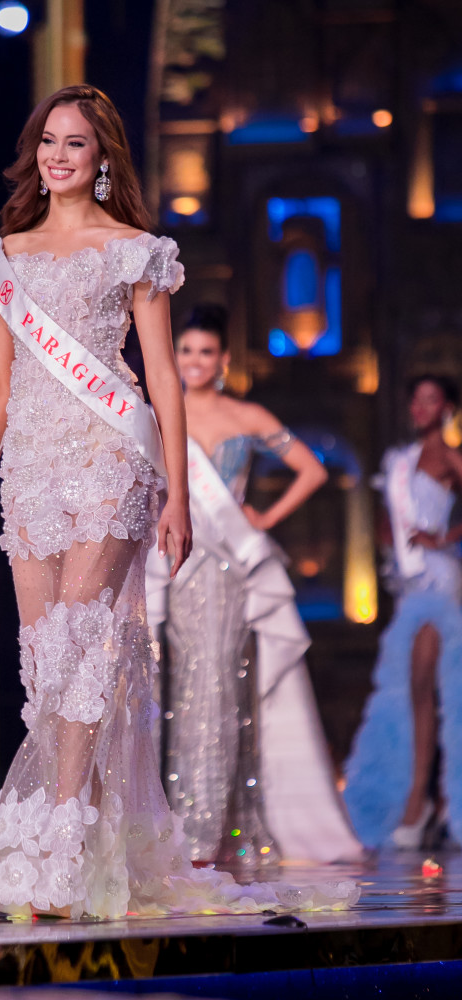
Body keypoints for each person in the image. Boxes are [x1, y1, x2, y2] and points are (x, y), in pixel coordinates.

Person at [0, 84, 358, 920]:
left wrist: (175, 491)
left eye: (75, 143)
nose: (57, 156)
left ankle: (63, 840)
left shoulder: (137, 251)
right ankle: (99, 837)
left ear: (103, 158)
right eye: (48, 141)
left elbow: (164, 379)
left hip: (111, 458)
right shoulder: (6, 258)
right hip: (28, 469)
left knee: (78, 642)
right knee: (46, 662)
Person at [146, 305, 363, 866]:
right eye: (186, 351)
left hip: (228, 568)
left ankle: (206, 831)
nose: (195, 361)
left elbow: (312, 469)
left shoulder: (247, 415)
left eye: (206, 352)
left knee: (219, 685)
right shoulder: (159, 414)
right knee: (182, 689)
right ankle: (184, 828)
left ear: (223, 359)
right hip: (175, 567)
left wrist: (265, 517)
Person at [345, 374, 462, 849]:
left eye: (430, 400)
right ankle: (426, 800)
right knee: (414, 691)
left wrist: (445, 538)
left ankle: (425, 801)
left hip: (440, 581)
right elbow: (385, 521)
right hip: (408, 583)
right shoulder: (400, 460)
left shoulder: (451, 457)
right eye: (415, 400)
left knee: (427, 685)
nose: (420, 408)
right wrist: (388, 538)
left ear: (447, 408)